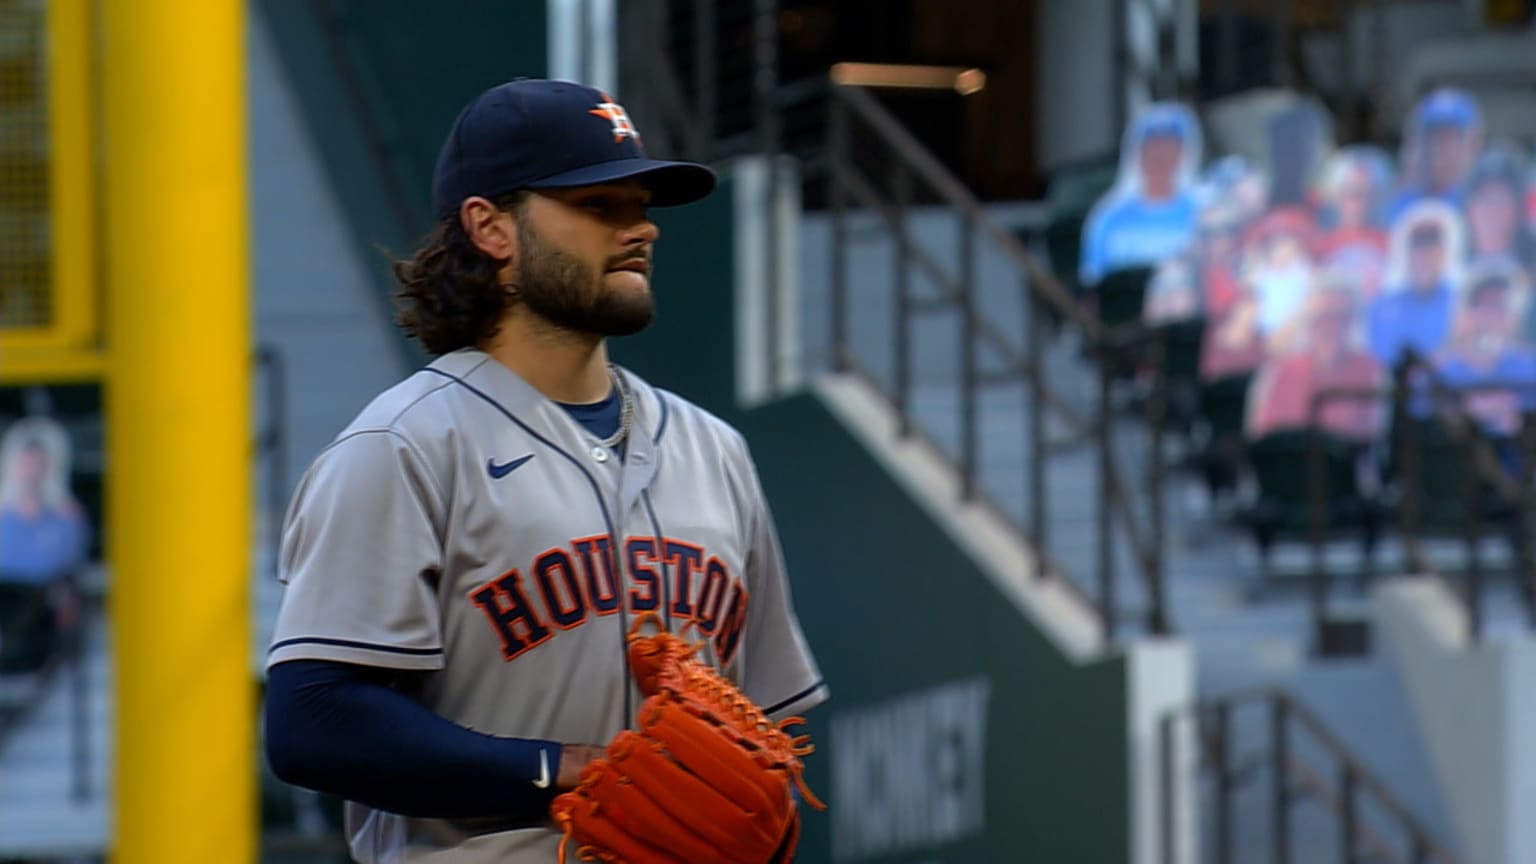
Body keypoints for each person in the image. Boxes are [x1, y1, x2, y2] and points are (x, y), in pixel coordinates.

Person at [262, 78, 828, 864]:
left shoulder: (714, 450)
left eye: (641, 204)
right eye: (600, 205)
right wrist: (564, 773)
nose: (640, 229)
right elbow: (315, 723)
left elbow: (767, 722)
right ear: (490, 227)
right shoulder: (405, 445)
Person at [1078, 102, 1203, 288]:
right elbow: (1091, 283)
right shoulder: (1107, 217)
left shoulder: (1205, 211)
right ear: (1137, 155)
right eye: (1152, 149)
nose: (1161, 157)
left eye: (1170, 148)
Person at [1246, 276, 1384, 442]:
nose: (1330, 327)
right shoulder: (1281, 372)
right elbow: (1262, 439)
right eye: (1322, 317)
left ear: (1354, 321)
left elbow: (1373, 442)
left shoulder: (1371, 373)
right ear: (1308, 322)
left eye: (1339, 317)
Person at [0, 417, 88, 672]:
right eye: (25, 461)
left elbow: (71, 575)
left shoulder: (67, 519)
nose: (31, 470)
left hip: (40, 616)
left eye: (39, 462)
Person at [1367, 200, 1464, 367]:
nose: (1423, 253)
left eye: (1432, 243)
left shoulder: (1462, 303)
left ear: (1446, 252)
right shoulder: (1381, 307)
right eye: (1416, 244)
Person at [1389, 88, 1483, 220]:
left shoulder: (1483, 205)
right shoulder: (1400, 206)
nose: (1441, 150)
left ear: (1472, 145)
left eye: (1450, 139)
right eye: (1433, 139)